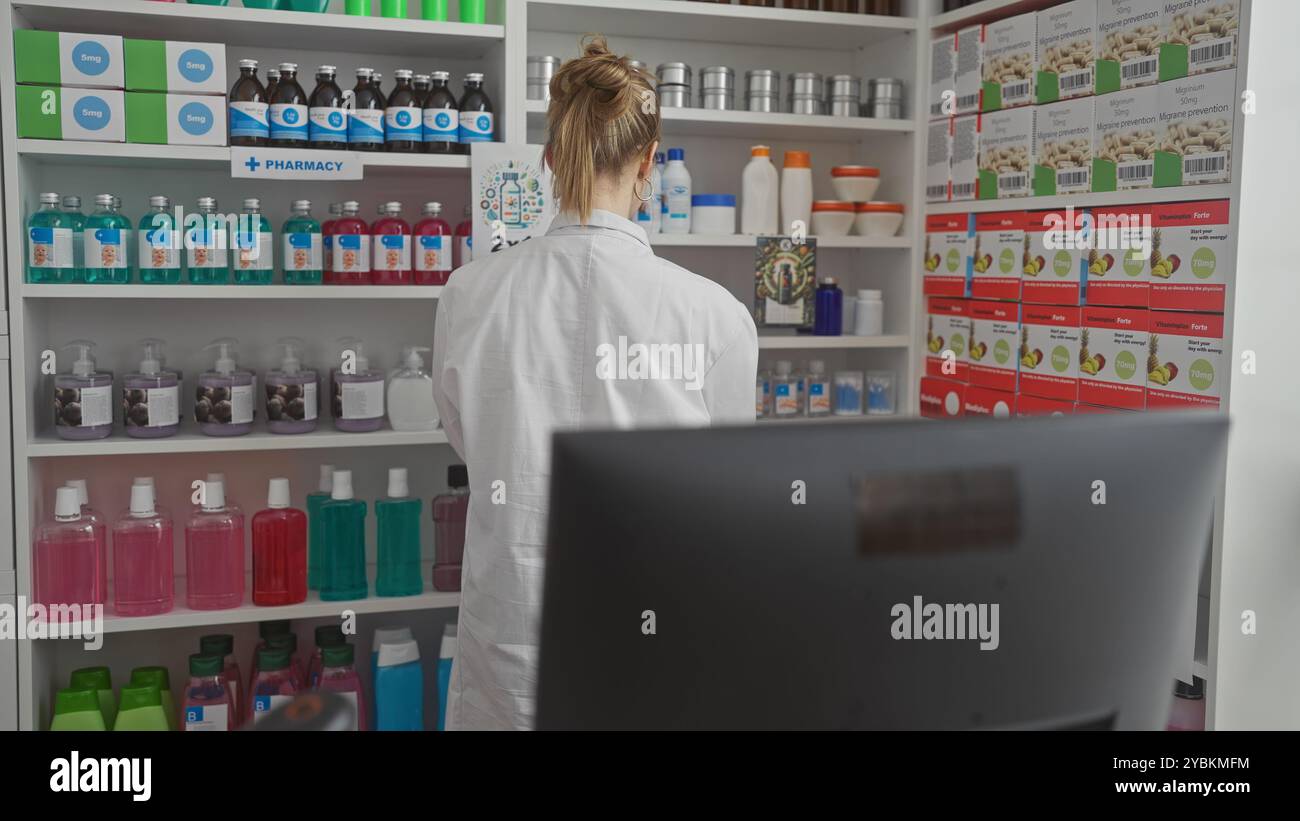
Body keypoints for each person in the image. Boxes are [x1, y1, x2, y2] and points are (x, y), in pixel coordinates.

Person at [431, 36, 758, 730]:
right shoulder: (716, 315)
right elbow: (725, 485)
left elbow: (469, 439)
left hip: (509, 651)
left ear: (549, 158)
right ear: (648, 164)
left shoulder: (469, 292)